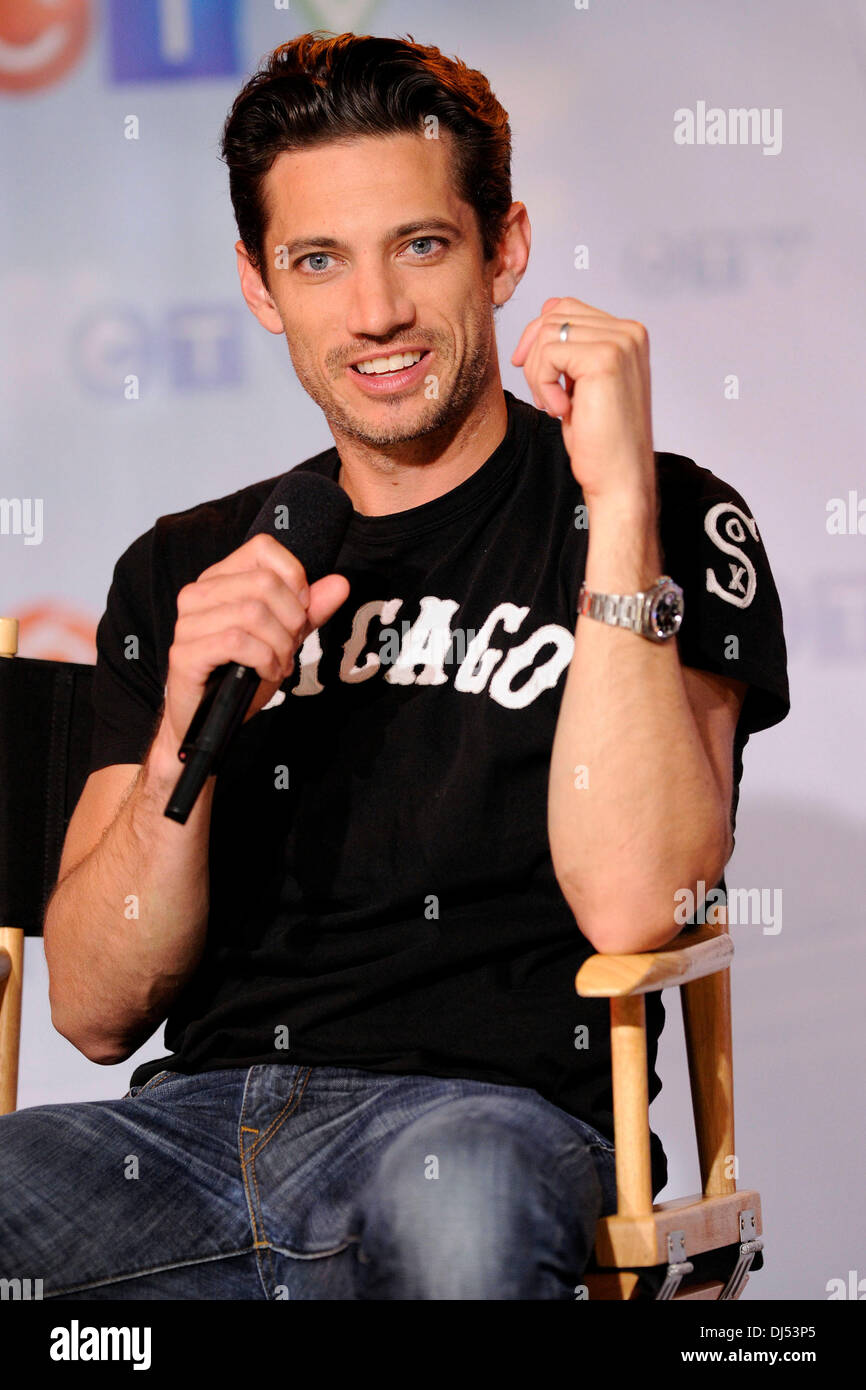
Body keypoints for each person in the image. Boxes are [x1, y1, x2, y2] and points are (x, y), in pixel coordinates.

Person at [0, 32, 789, 1301]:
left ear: (503, 249)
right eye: (317, 260)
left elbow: (641, 902)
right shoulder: (187, 566)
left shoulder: (671, 515)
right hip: (190, 1137)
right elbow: (93, 1007)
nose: (372, 312)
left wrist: (620, 509)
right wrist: (179, 737)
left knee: (463, 1199)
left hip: (482, 1121)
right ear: (261, 285)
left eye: (419, 245)